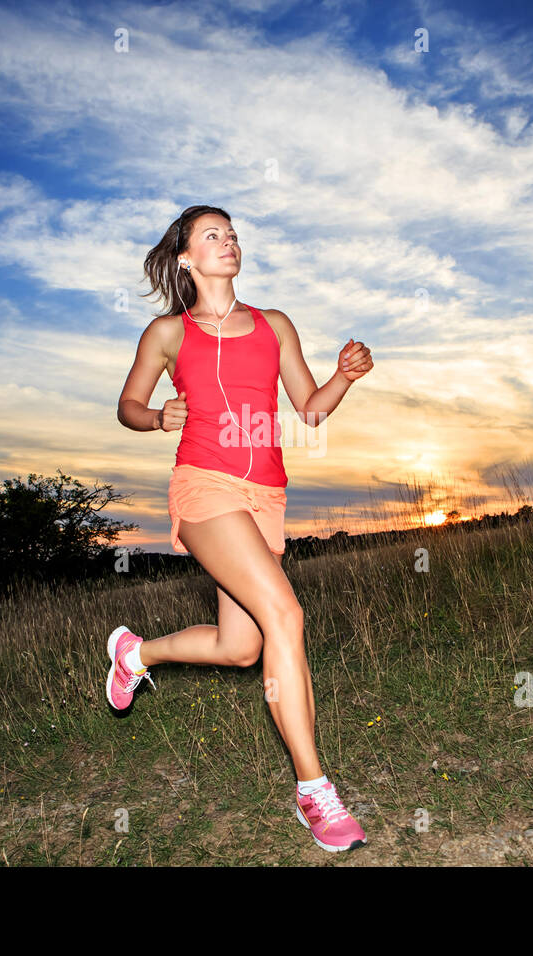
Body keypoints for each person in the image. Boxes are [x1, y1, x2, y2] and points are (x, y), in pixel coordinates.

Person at [111, 204, 374, 852]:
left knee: (243, 648)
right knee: (285, 615)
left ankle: (135, 654)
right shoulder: (168, 333)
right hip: (204, 486)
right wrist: (156, 417)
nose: (227, 242)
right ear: (185, 258)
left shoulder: (274, 324)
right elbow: (128, 405)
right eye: (211, 235)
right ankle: (314, 791)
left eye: (231, 234)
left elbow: (309, 411)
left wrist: (343, 375)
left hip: (265, 497)